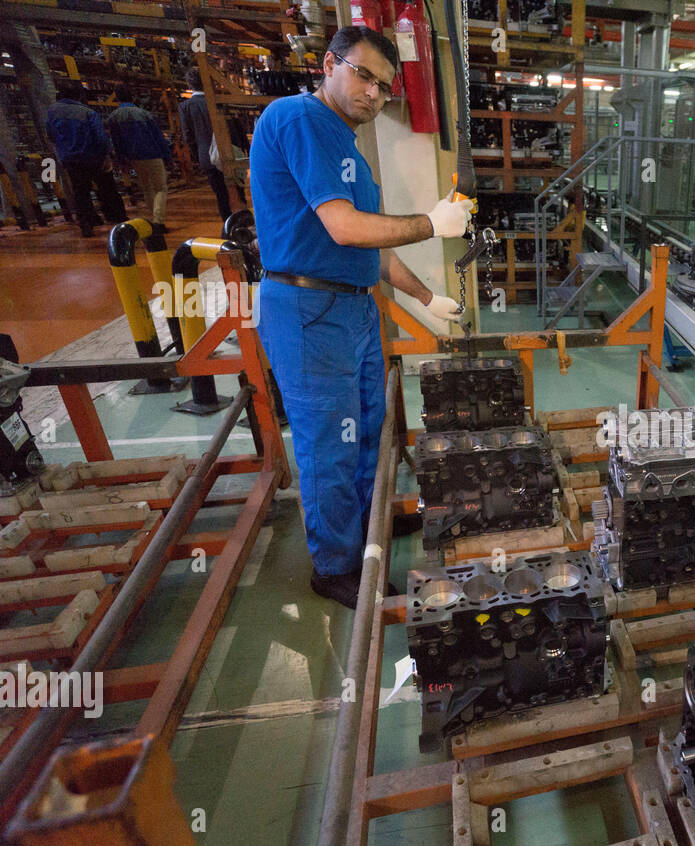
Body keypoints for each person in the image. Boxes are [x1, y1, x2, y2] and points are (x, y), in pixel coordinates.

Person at [250, 25, 472, 608]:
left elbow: (374, 250)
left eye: (384, 87)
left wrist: (426, 298)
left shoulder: (346, 146)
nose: (374, 94)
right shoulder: (298, 120)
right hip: (306, 310)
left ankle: (363, 529)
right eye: (364, 75)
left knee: (368, 426)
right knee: (329, 440)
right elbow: (345, 228)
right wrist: (431, 222)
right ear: (330, 63)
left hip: (349, 307)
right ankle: (335, 565)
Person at [45, 81, 127, 237]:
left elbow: (50, 135)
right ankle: (117, 218)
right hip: (92, 156)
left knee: (81, 192)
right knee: (107, 188)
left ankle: (87, 224)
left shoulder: (52, 112)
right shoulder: (87, 112)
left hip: (70, 159)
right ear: (78, 95)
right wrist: (107, 155)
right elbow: (100, 138)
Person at [180, 67, 247, 222]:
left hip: (207, 157)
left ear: (190, 84)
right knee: (238, 191)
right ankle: (244, 226)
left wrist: (198, 156)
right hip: (232, 152)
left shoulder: (186, 107)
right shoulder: (220, 101)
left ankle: (229, 228)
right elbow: (238, 127)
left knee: (221, 195)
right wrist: (244, 149)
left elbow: (188, 136)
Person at [106, 84, 171, 231]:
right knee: (160, 187)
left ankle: (154, 219)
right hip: (153, 154)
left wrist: (122, 160)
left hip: (134, 157)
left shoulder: (114, 118)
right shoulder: (145, 114)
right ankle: (158, 220)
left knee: (146, 187)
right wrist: (167, 156)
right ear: (132, 97)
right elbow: (158, 137)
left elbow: (117, 142)